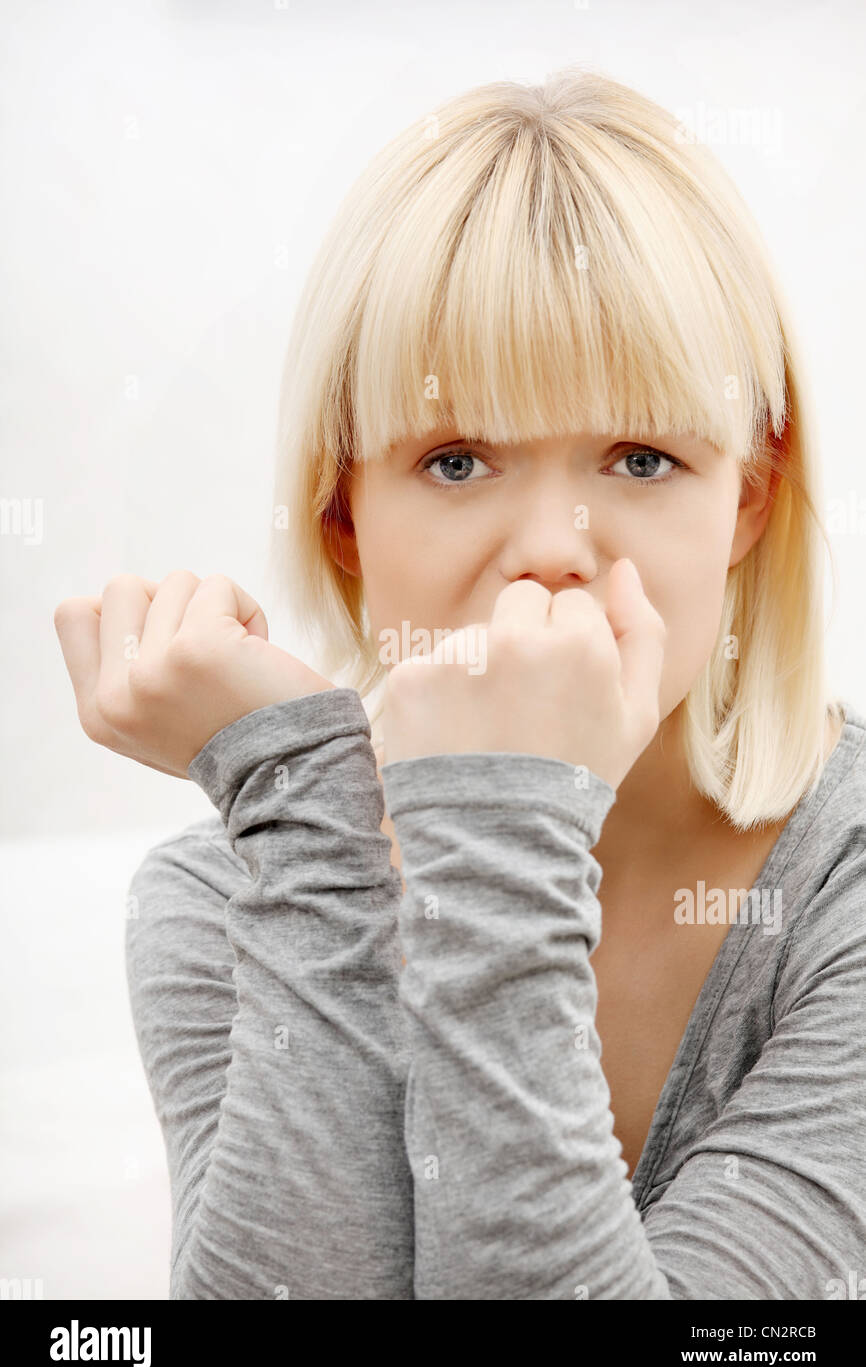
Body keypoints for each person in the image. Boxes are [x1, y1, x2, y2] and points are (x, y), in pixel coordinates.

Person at [54, 66, 866, 1300]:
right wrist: (310, 819)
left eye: (641, 456)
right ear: (343, 517)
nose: (552, 542)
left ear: (744, 502)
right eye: (455, 459)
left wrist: (499, 825)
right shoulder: (242, 887)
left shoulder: (838, 885)